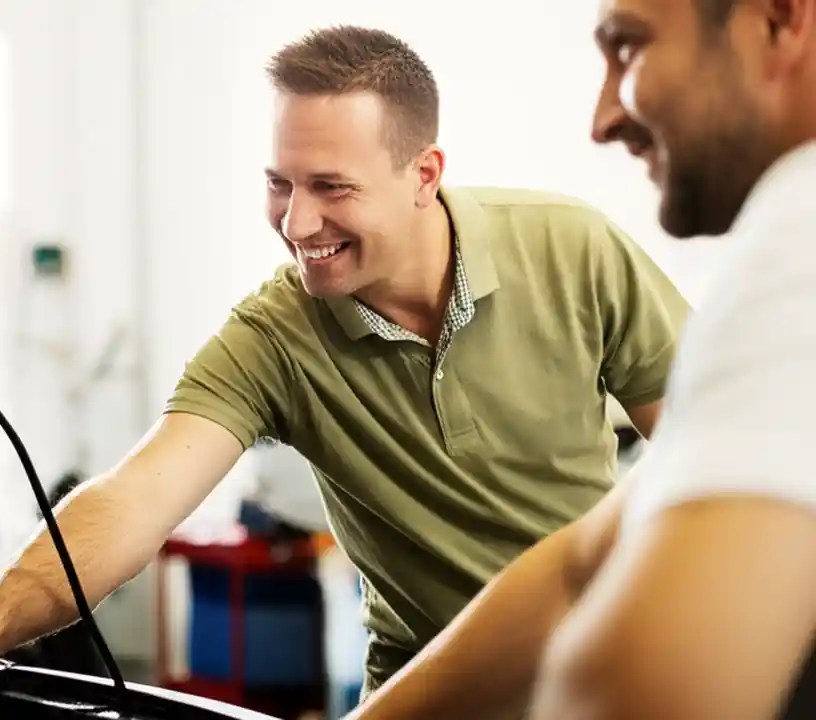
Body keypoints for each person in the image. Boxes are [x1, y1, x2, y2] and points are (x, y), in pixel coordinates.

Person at [0, 25, 690, 720]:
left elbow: (711, 450)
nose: (296, 221)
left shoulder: (572, 250)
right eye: (278, 183)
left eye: (331, 187)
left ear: (423, 175)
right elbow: (130, 502)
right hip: (423, 694)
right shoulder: (275, 335)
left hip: (603, 673)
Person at [349, 0, 816, 718]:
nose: (602, 119)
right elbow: (578, 570)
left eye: (628, 48)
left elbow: (632, 697)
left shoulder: (798, 240)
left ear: (780, 22)